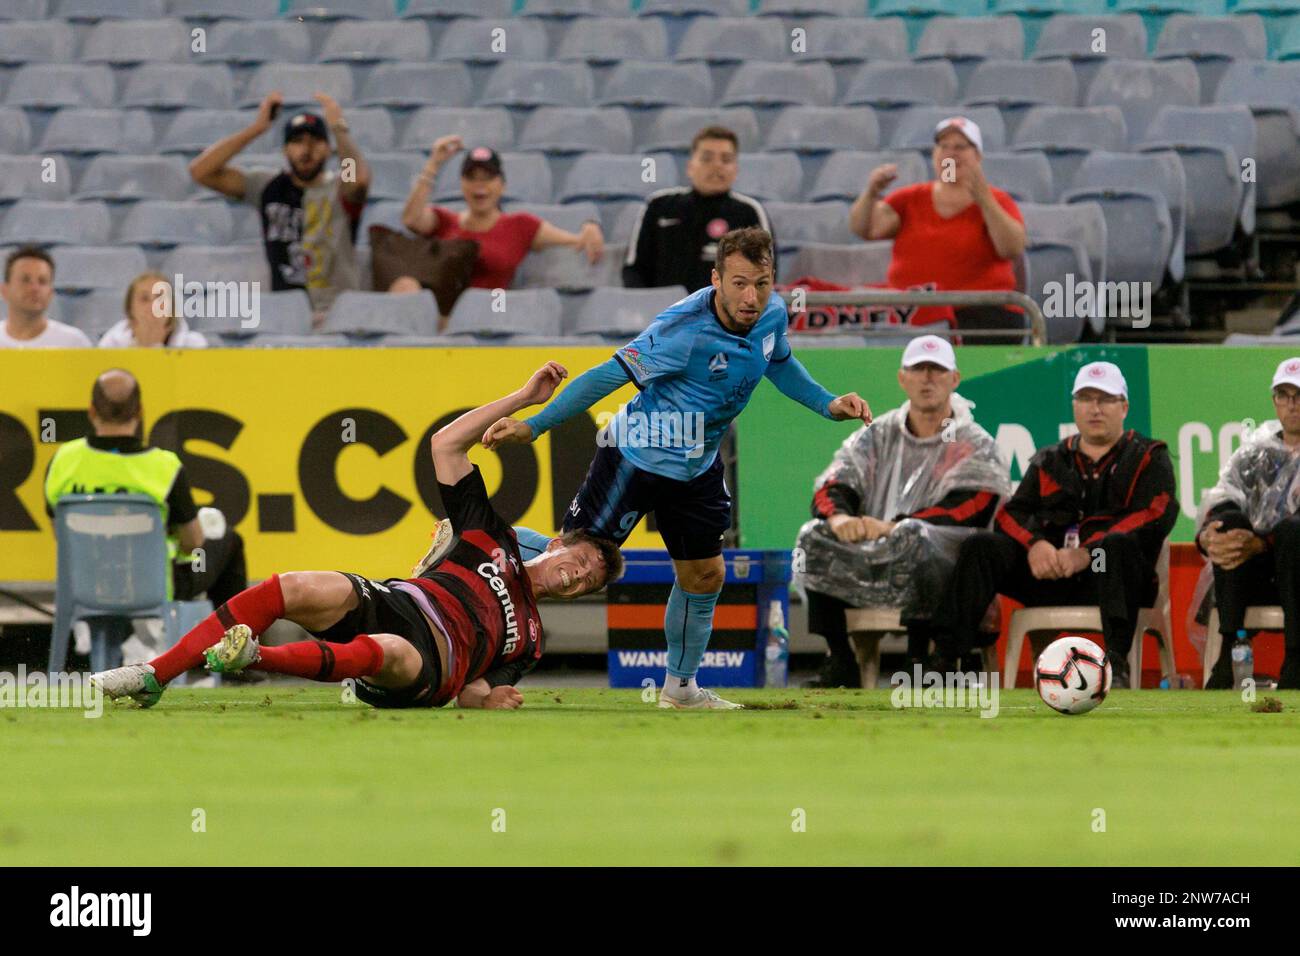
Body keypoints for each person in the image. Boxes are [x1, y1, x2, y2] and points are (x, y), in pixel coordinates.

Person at [484, 227, 871, 709]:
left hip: (697, 467)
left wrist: (827, 404)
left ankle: (680, 690)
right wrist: (535, 424)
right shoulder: (681, 330)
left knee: (705, 576)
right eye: (739, 284)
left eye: (762, 283)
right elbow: (607, 376)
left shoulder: (771, 314)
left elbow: (778, 362)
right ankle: (475, 544)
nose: (751, 298)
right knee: (577, 561)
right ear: (716, 279)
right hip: (635, 458)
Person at [90, 362, 623, 711]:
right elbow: (444, 446)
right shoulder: (491, 535)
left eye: (589, 583)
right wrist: (523, 398)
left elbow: (472, 692)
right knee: (294, 586)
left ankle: (254, 657)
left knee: (387, 649)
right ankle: (154, 676)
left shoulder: (530, 637)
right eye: (583, 561)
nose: (579, 577)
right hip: (396, 600)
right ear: (558, 543)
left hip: (432, 663)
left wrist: (488, 701)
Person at [928, 362, 1177, 686]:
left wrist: (1088, 552)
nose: (1095, 408)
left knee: (1115, 547)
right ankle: (945, 660)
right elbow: (1011, 514)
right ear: (1074, 406)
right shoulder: (1051, 459)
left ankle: (1115, 665)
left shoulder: (1148, 456)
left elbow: (1156, 513)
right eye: (1086, 398)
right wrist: (1036, 546)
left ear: (1124, 407)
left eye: (1106, 399)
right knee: (982, 546)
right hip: (1051, 574)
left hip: (1106, 574)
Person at [794, 335, 1011, 688]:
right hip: (876, 557)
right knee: (813, 536)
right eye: (918, 369)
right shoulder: (877, 434)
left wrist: (893, 527)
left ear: (955, 379)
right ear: (902, 378)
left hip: (947, 567)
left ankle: (918, 659)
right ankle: (840, 659)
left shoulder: (975, 443)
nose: (927, 378)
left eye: (937, 370)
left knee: (915, 536)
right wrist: (840, 517)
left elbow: (973, 506)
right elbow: (834, 483)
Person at [44, 369, 248, 663]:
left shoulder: (63, 461)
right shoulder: (164, 467)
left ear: (91, 411)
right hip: (153, 585)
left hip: (88, 584)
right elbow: (192, 542)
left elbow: (61, 536)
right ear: (140, 411)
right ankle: (236, 661)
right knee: (230, 541)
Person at [189, 91, 369, 316]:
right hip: (285, 314)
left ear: (327, 149)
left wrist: (338, 129)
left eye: (315, 141)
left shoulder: (340, 188)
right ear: (285, 149)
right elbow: (200, 171)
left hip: (336, 312)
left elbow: (358, 180)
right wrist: (256, 129)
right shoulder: (269, 186)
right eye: (297, 141)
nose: (307, 150)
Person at [848, 117, 1027, 338]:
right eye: (944, 146)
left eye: (960, 147)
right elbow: (864, 229)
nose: (951, 154)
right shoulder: (910, 198)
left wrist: (984, 199)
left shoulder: (998, 200)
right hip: (913, 313)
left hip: (979, 313)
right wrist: (871, 192)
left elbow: (1012, 248)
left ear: (977, 156)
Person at [1195, 357, 1300, 690]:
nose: (1292, 404)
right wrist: (1209, 534)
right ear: (1274, 401)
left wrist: (1264, 542)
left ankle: (1296, 657)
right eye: (1284, 395)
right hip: (1261, 570)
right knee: (1229, 525)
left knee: (1293, 532)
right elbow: (1224, 497)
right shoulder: (1257, 453)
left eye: (1299, 395)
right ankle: (1230, 648)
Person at [395, 140, 604, 303]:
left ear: (502, 185)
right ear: (462, 185)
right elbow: (411, 219)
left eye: (487, 178)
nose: (479, 186)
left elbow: (576, 240)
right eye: (472, 178)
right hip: (445, 313)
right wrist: (434, 163)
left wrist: (590, 226)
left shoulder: (520, 226)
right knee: (406, 285)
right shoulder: (446, 221)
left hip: (492, 312)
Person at [623, 125, 772, 292]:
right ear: (690, 167)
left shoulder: (750, 212)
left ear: (736, 170)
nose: (717, 165)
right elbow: (634, 270)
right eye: (707, 158)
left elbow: (764, 275)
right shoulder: (659, 206)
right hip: (664, 307)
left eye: (726, 159)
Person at [0, 246, 91, 348]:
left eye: (42, 281)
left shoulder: (75, 342)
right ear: (4, 290)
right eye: (25, 280)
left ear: (51, 292)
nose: (34, 288)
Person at [97, 272, 208, 349]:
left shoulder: (194, 345)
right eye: (144, 299)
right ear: (130, 308)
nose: (153, 305)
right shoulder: (111, 345)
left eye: (160, 297)